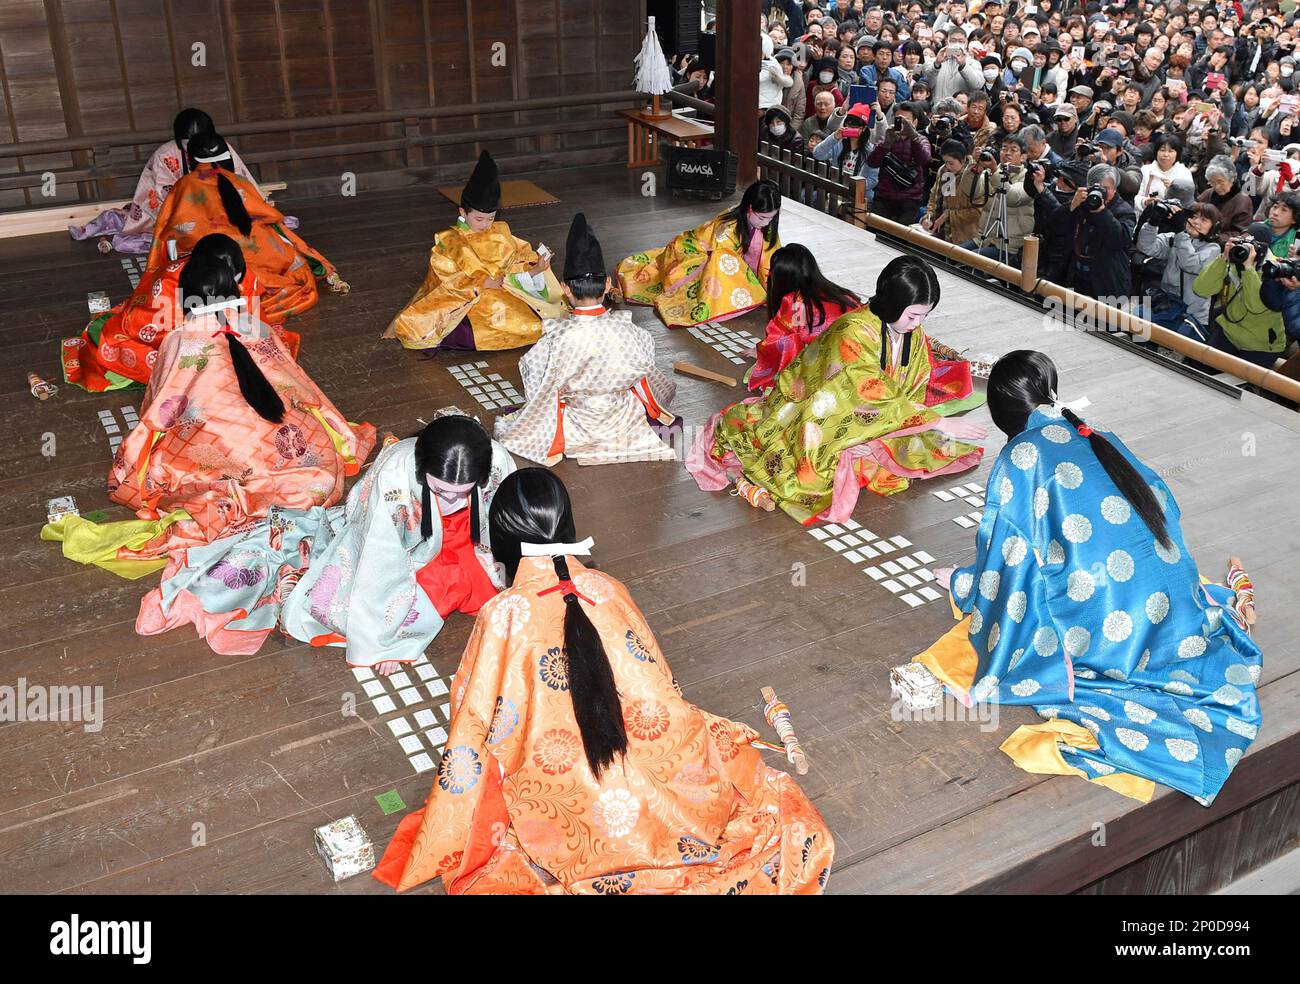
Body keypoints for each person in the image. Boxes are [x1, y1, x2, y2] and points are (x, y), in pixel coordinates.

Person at [372, 468, 834, 894]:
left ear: (501, 538)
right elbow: (662, 692)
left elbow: (473, 722)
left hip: (565, 805)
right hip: (667, 784)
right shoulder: (609, 589)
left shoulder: (503, 616)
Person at [918, 351, 1261, 806]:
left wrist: (964, 582)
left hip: (1109, 627)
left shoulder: (1022, 455)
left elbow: (1012, 564)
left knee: (1034, 606)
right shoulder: (1098, 434)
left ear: (999, 413)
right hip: (1171, 609)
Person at [107, 252, 376, 555]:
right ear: (234, 289)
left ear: (186, 297)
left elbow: (159, 409)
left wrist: (132, 458)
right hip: (290, 448)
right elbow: (300, 386)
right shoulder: (259, 327)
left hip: (222, 451)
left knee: (175, 450)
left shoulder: (181, 339)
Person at [686, 255, 987, 525]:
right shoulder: (852, 331)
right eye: (913, 316)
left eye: (923, 316)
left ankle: (873, 441)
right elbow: (866, 388)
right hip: (816, 411)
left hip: (879, 418)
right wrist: (936, 421)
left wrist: (910, 422)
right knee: (808, 480)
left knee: (916, 454)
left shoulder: (913, 334)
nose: (918, 324)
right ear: (893, 303)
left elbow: (914, 384)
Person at [277, 414, 516, 673]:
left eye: (462, 492)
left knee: (500, 593)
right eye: (439, 491)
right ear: (421, 469)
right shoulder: (395, 474)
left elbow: (512, 526)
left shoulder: (498, 461)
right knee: (429, 595)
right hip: (415, 545)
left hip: (472, 537)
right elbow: (379, 558)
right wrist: (381, 642)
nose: (450, 500)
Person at [494, 214, 676, 465]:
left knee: (514, 425)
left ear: (565, 289)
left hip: (577, 422)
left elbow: (533, 372)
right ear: (608, 284)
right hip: (623, 419)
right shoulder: (631, 331)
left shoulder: (556, 337)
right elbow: (647, 370)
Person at [60, 233, 298, 393]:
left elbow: (256, 317)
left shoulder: (245, 275)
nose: (235, 284)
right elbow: (146, 328)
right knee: (156, 359)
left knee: (272, 347)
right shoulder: (170, 280)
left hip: (222, 335)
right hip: (177, 339)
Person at [149, 132, 345, 320]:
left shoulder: (184, 185)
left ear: (190, 158)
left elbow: (167, 228)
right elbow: (271, 214)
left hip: (217, 259)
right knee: (278, 240)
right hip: (260, 253)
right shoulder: (237, 180)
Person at [386, 150, 563, 351]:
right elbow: (443, 278)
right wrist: (482, 282)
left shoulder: (501, 231)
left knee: (534, 324)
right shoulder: (448, 241)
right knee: (444, 329)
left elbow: (517, 259)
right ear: (463, 212)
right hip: (469, 299)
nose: (486, 224)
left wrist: (535, 268)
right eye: (479, 219)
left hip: (505, 291)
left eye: (491, 218)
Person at [69, 108, 269, 255]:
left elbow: (240, 178)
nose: (194, 148)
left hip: (219, 205)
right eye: (187, 143)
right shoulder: (165, 155)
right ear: (178, 139)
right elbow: (165, 196)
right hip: (182, 208)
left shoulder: (221, 146)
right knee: (188, 236)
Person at [618, 180, 781, 328]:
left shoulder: (766, 225)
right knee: (722, 261)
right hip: (695, 254)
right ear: (750, 208)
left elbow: (768, 259)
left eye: (771, 218)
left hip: (720, 258)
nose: (766, 223)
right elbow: (719, 265)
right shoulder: (728, 226)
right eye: (762, 217)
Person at [747, 243, 861, 391]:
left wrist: (763, 353)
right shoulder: (838, 292)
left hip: (831, 366)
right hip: (859, 359)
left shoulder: (796, 301)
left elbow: (784, 339)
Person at [1193, 223, 1290, 369]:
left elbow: (1256, 307)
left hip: (1261, 345)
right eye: (1242, 242)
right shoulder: (1233, 261)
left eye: (1250, 245)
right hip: (1229, 331)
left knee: (1233, 386)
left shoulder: (1275, 271)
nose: (1244, 248)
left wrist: (1248, 269)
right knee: (1201, 369)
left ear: (1262, 248)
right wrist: (1223, 258)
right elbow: (1201, 289)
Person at [1034, 163, 1136, 300]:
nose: (1099, 193)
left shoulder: (1124, 210)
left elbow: (1120, 240)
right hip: (1076, 275)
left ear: (1115, 189)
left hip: (1107, 281)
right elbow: (1054, 227)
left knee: (1100, 320)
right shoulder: (1082, 202)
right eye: (1095, 187)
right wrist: (1071, 206)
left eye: (1105, 189)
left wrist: (1101, 212)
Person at [1135, 200, 1223, 337]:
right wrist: (1153, 223)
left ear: (1214, 227)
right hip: (1167, 304)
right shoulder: (1174, 237)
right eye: (1194, 217)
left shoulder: (1213, 249)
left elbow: (1190, 264)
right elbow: (1146, 246)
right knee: (1136, 316)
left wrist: (1180, 232)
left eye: (1204, 220)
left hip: (1193, 314)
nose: (1196, 222)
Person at [962, 134, 1035, 266]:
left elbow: (1012, 197)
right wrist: (974, 167)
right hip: (984, 239)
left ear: (1023, 157)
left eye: (1013, 150)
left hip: (1009, 245)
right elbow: (969, 191)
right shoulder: (991, 172)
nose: (1007, 153)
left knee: (971, 262)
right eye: (1004, 148)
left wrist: (995, 170)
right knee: (953, 254)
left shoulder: (1028, 178)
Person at [866, 102, 931, 224]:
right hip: (884, 195)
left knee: (901, 236)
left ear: (915, 122)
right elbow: (872, 162)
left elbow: (924, 160)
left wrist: (913, 137)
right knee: (873, 228)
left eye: (907, 121)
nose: (903, 123)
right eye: (899, 119)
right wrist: (886, 144)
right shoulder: (887, 137)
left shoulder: (921, 139)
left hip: (910, 198)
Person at [924, 139, 983, 246]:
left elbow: (978, 211)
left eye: (951, 163)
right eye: (945, 162)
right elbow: (934, 196)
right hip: (941, 228)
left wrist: (948, 216)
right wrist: (929, 216)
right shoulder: (944, 171)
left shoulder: (975, 175)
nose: (947, 166)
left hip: (964, 233)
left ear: (963, 159)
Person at [1199, 154, 1254, 243]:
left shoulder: (1243, 201)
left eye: (1220, 182)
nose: (1217, 187)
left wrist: (1214, 238)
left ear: (1231, 179)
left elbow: (1240, 232)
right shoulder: (1207, 194)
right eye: (1212, 182)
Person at [1136, 133, 1196, 211]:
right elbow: (1135, 196)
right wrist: (1145, 202)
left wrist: (1173, 191)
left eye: (1171, 151)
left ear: (1177, 154)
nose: (1165, 155)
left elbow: (1187, 202)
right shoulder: (1145, 170)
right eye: (1162, 150)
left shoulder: (1184, 173)